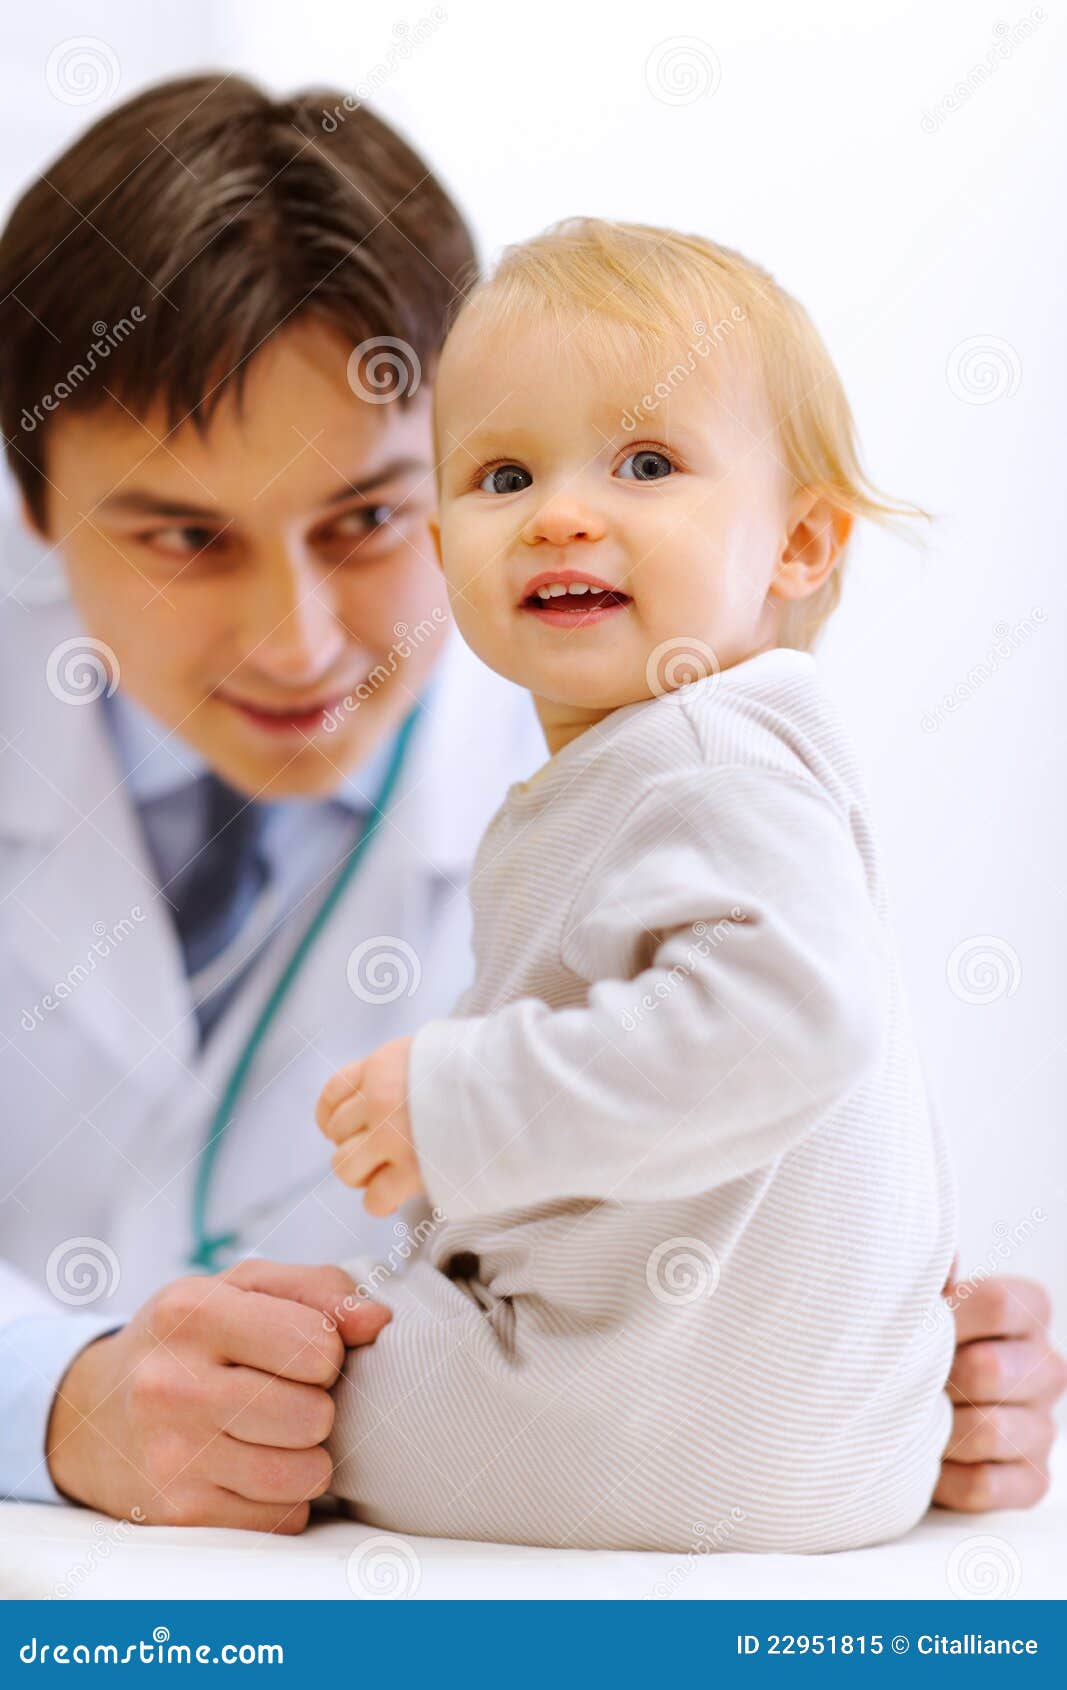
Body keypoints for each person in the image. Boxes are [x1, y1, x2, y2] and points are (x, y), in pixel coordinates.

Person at [0, 77, 1060, 1535]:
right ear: (35, 509)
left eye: (369, 520)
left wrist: (899, 1356)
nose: (297, 642)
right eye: (185, 536)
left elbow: (777, 1075)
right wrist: (55, 1399)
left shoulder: (662, 750)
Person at [313, 218, 953, 1552]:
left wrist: (460, 1102)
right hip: (838, 1454)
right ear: (443, 544)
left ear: (800, 542)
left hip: (638, 1431)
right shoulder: (663, 769)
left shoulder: (708, 756)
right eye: (501, 475)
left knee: (292, 1370)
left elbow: (788, 1024)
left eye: (647, 463)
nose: (559, 514)